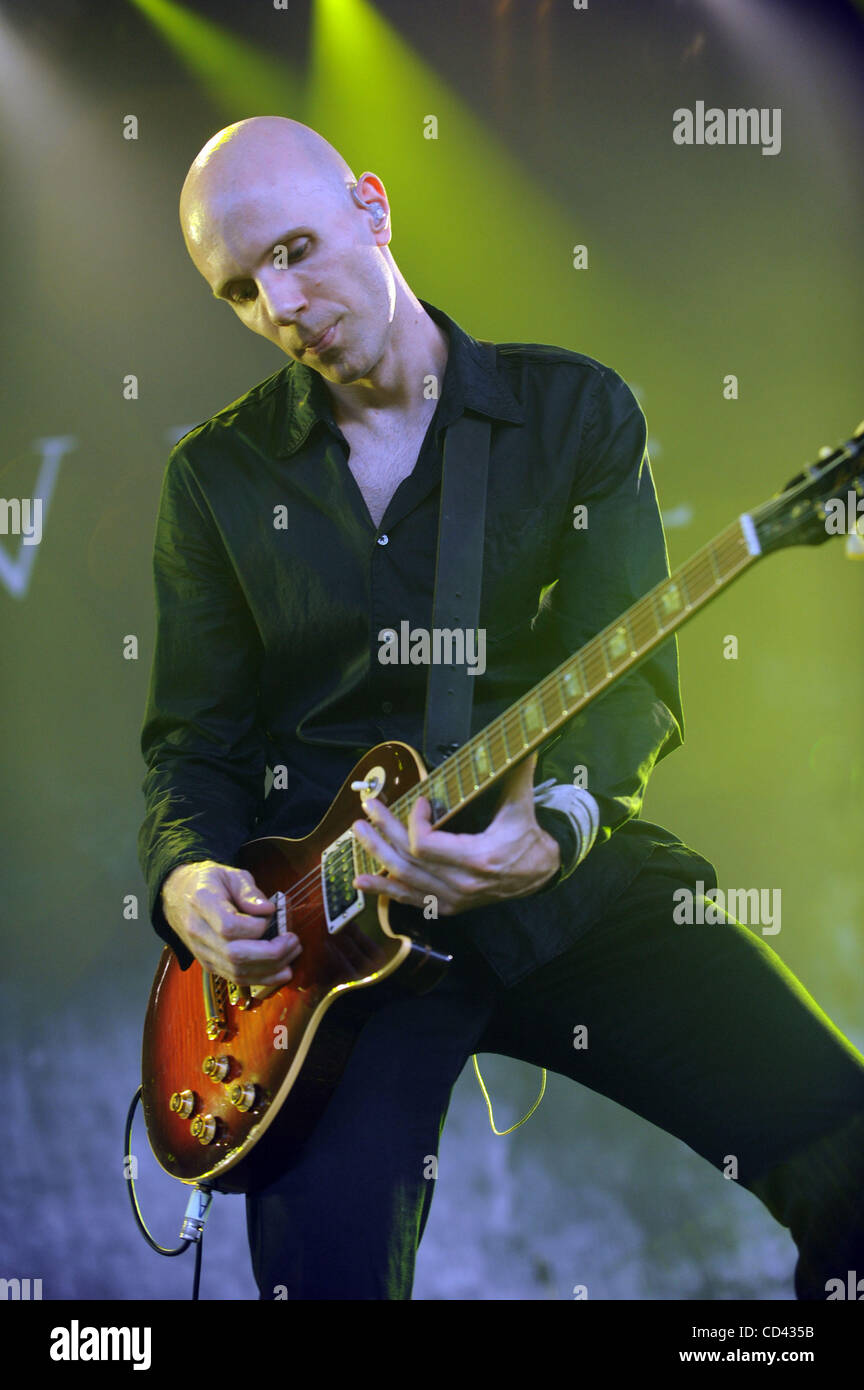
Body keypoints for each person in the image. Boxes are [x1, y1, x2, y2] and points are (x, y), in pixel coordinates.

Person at [138, 116, 864, 1301]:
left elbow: (626, 684)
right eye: (239, 287)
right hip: (327, 961)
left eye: (298, 249)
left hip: (564, 887)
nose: (282, 304)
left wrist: (561, 822)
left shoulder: (573, 413)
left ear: (374, 206)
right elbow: (193, 744)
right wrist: (185, 883)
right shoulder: (215, 482)